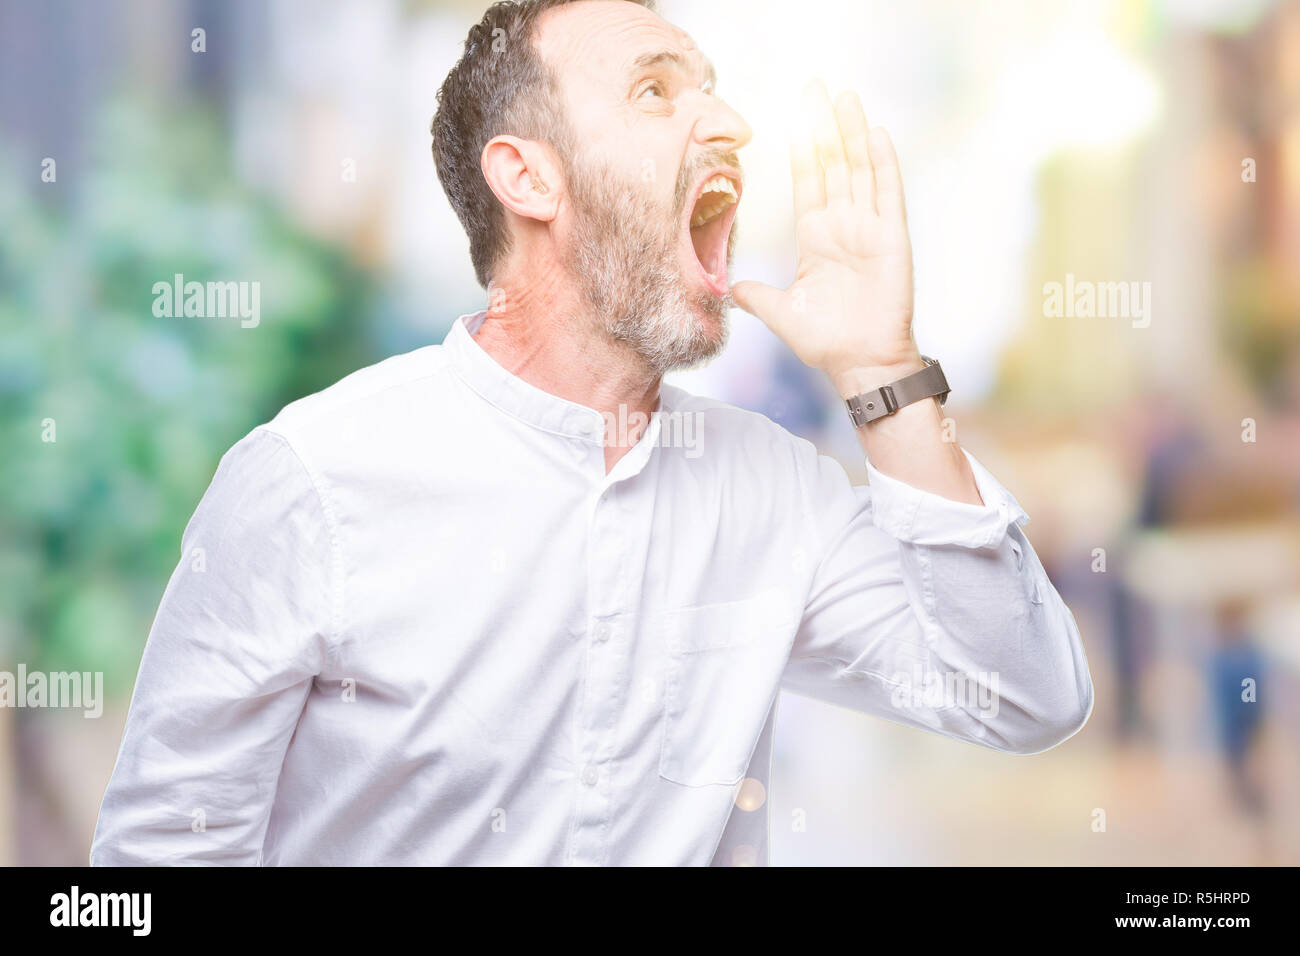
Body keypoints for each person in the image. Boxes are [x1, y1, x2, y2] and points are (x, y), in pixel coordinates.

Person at [91, 0, 1093, 866]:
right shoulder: (312, 482)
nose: (729, 125)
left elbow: (1021, 693)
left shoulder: (773, 492)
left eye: (712, 89)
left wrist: (882, 370)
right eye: (656, 92)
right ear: (528, 179)